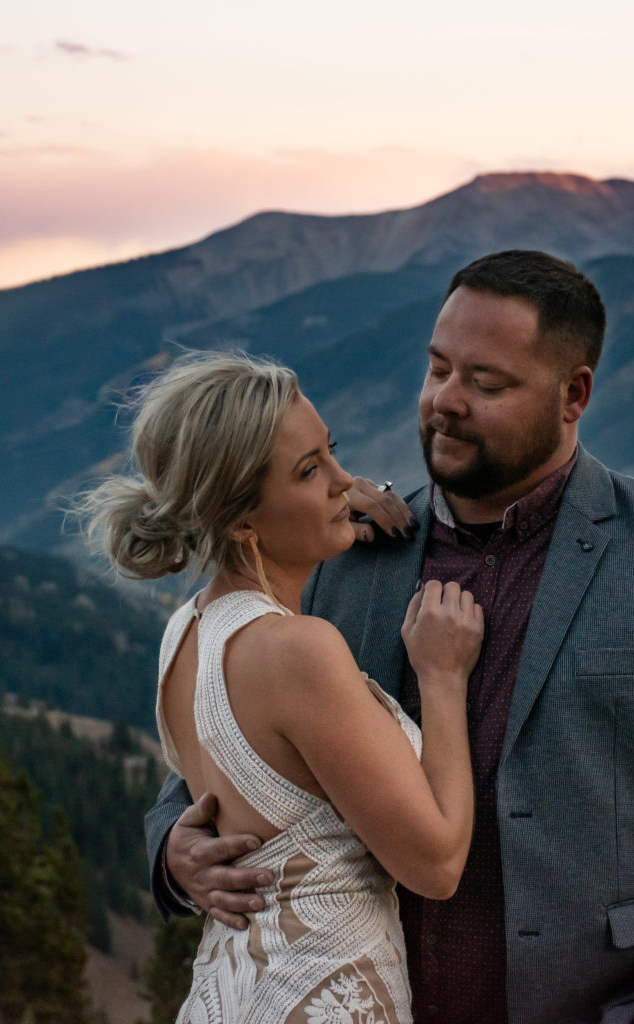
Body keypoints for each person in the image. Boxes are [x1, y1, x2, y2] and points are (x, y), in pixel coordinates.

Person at [149, 250, 634, 1022]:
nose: (445, 402)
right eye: (437, 370)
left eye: (485, 383)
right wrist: (174, 852)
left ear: (574, 395)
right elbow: (221, 753)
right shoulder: (348, 557)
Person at [82, 352, 485, 1023]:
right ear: (240, 520)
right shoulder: (297, 651)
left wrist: (314, 508)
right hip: (323, 997)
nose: (345, 482)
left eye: (332, 452)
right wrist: (442, 680)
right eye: (308, 471)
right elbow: (436, 863)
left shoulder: (185, 635)